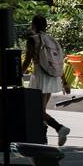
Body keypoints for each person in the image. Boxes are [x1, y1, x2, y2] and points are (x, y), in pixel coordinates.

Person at [23, 15, 70, 146]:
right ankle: (43, 140)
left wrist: (18, 74)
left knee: (36, 109)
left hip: (40, 75)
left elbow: (27, 60)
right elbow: (59, 62)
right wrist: (64, 81)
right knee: (40, 109)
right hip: (52, 76)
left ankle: (59, 128)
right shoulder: (52, 40)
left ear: (34, 25)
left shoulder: (33, 40)